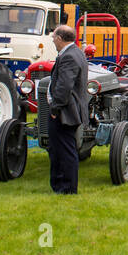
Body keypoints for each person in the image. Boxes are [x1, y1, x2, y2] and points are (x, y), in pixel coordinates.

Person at [47, 24, 89, 194]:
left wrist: (55, 109)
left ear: (59, 38)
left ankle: (67, 187)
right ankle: (61, 184)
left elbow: (64, 87)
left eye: (53, 37)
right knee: (60, 148)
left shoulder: (69, 56)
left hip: (66, 112)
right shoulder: (75, 52)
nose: (52, 40)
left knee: (64, 149)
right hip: (68, 110)